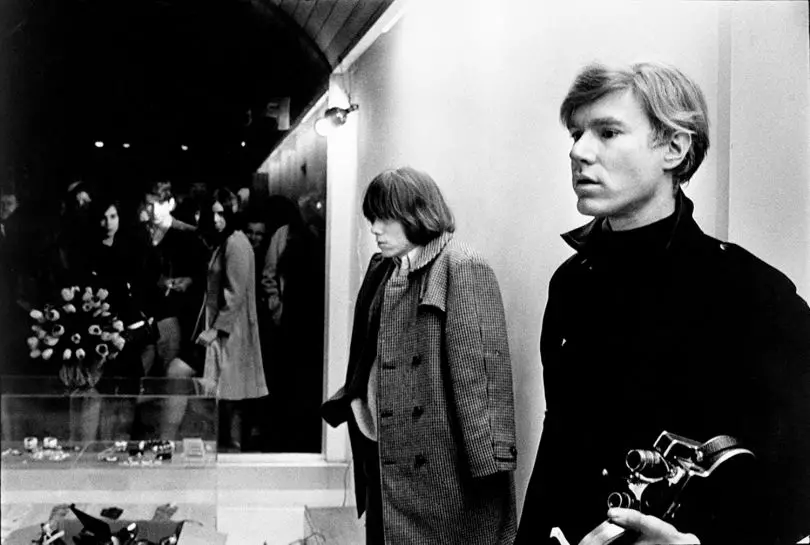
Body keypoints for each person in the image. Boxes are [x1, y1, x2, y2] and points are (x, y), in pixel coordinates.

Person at [516, 62, 810, 545]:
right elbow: (559, 441)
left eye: (608, 132)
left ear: (674, 148)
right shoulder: (571, 284)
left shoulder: (752, 292)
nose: (578, 151)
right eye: (576, 133)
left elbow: (800, 475)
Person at [321, 167, 518, 544]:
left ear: (418, 214)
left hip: (439, 474)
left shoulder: (461, 266)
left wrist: (490, 476)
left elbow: (480, 378)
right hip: (384, 457)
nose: (375, 229)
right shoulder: (386, 267)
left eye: (384, 218)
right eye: (372, 218)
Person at [195, 187, 268, 451]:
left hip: (232, 331)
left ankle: (233, 449)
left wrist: (215, 329)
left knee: (231, 394)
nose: (216, 219)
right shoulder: (227, 241)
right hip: (227, 328)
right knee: (227, 395)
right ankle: (229, 446)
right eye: (213, 213)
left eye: (221, 213)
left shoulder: (236, 243)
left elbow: (235, 295)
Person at [261, 196, 324, 452]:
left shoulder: (319, 234)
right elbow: (269, 274)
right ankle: (285, 435)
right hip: (291, 316)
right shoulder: (284, 235)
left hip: (311, 317)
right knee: (287, 377)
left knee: (304, 379)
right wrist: (277, 310)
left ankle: (300, 435)